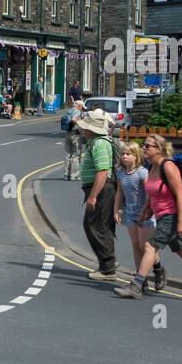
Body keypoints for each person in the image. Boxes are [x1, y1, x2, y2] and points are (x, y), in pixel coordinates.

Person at [115, 134, 182, 301]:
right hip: (161, 214)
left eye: (148, 146)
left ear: (159, 149)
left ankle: (137, 285)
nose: (144, 148)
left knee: (150, 247)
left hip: (172, 215)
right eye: (144, 145)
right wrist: (147, 210)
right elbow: (153, 194)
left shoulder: (168, 166)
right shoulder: (152, 167)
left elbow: (180, 194)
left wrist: (181, 221)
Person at [113, 141, 166, 291]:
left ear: (136, 156)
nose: (124, 156)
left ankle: (158, 270)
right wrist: (115, 210)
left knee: (146, 246)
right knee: (136, 246)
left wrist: (149, 210)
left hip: (145, 213)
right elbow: (119, 192)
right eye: (123, 154)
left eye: (128, 154)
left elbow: (150, 191)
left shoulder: (142, 172)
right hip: (130, 212)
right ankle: (140, 279)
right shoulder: (121, 173)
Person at [74, 107, 118, 279]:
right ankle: (108, 261)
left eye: (84, 127)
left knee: (97, 226)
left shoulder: (99, 144)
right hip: (101, 189)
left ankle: (107, 267)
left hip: (101, 189)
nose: (82, 129)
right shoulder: (98, 141)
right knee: (99, 225)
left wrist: (93, 196)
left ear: (91, 129)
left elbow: (102, 172)